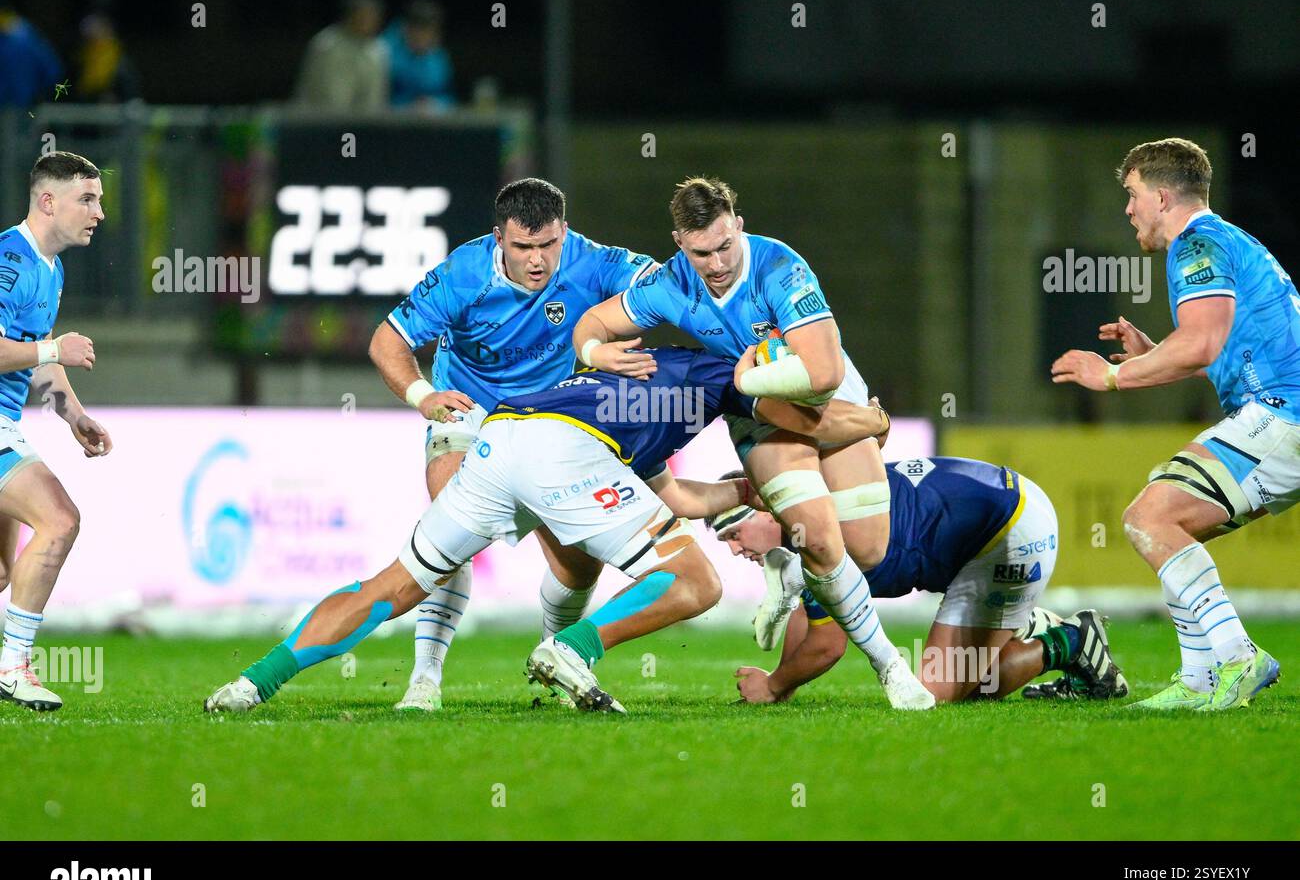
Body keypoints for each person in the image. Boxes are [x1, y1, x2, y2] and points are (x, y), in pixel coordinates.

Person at [204, 347, 894, 715]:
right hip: (566, 453)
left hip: (503, 440)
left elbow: (678, 494)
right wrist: (869, 421)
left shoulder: (647, 376)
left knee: (393, 584)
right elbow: (809, 422)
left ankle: (253, 682)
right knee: (696, 579)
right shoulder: (731, 368)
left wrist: (750, 492)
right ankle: (573, 648)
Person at [571, 177, 930, 707]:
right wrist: (596, 352)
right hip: (760, 417)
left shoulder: (780, 268)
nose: (716, 264)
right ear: (678, 242)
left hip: (827, 401)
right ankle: (892, 668)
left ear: (738, 226)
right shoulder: (670, 282)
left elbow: (824, 374)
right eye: (701, 253)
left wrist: (747, 379)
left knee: (869, 548)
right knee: (824, 540)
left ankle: (787, 560)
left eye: (724, 246)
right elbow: (594, 322)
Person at [370, 177, 657, 710]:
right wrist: (422, 395)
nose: (538, 259)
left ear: (564, 232)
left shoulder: (592, 261)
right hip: (470, 414)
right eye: (523, 247)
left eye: (549, 244)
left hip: (550, 421)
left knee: (580, 566)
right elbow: (387, 341)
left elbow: (666, 282)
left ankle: (558, 661)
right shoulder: (462, 274)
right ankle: (425, 679)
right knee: (448, 523)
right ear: (498, 237)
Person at [1051, 137, 1292, 710]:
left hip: (1284, 416)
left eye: (1132, 195)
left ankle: (1237, 659)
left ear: (1162, 197)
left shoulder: (1195, 244)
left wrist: (1112, 377)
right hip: (1282, 414)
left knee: (1148, 518)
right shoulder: (1228, 240)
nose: (1128, 209)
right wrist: (1153, 351)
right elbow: (1221, 349)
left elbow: (1201, 345)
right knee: (1169, 525)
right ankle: (1201, 680)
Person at [711, 458, 1126, 703]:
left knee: (943, 688)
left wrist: (773, 686)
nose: (733, 550)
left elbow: (826, 646)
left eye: (732, 534)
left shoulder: (817, 534)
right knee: (960, 669)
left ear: (764, 511)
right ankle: (1020, 621)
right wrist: (781, 682)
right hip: (997, 513)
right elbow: (813, 617)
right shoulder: (806, 513)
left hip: (1008, 528)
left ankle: (1072, 641)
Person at [0, 152, 112, 711]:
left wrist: (75, 418)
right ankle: (14, 666)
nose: (99, 212)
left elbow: (37, 362)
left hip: (6, 422)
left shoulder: (50, 268)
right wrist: (53, 347)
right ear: (48, 201)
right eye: (86, 199)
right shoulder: (9, 262)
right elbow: (37, 350)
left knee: (1, 570)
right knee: (60, 520)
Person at [292, 0, 389, 112]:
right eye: (363, 16)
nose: (368, 21)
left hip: (363, 125)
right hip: (320, 120)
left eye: (372, 16)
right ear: (349, 16)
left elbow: (375, 99)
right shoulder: (327, 45)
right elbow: (325, 97)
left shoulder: (378, 50)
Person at [383, 0, 455, 111]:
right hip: (388, 123)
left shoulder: (439, 58)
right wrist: (406, 108)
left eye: (429, 32)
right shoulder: (383, 54)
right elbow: (377, 101)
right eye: (419, 32)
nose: (423, 38)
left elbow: (448, 97)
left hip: (428, 122)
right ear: (405, 29)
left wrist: (436, 105)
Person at [0, 0, 63, 108]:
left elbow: (52, 71)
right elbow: (53, 72)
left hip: (17, 108)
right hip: (23, 107)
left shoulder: (21, 35)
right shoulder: (25, 31)